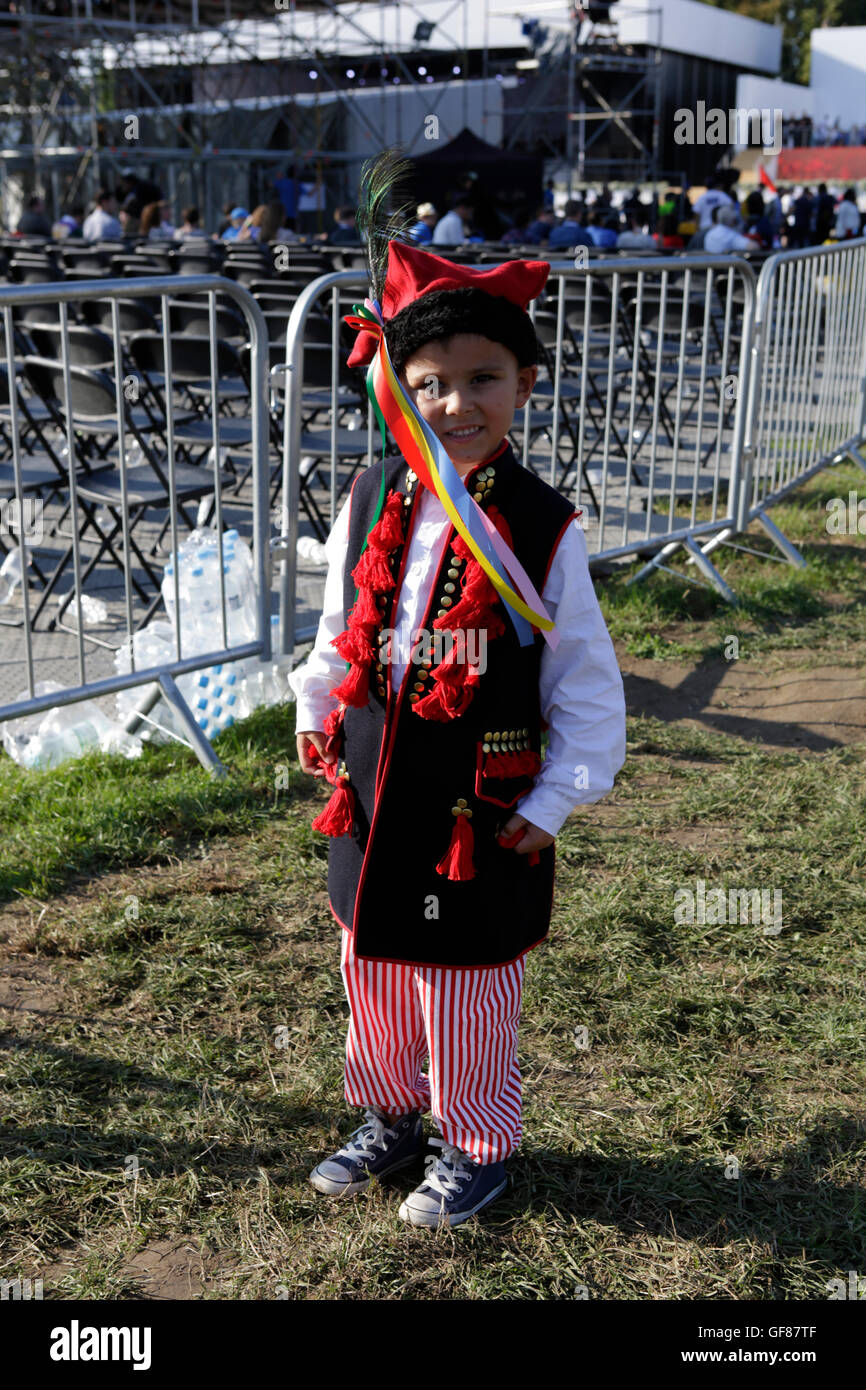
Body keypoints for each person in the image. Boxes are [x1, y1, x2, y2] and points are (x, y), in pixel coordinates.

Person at [288, 170, 626, 1228]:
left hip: (478, 790)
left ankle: (476, 1141)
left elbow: (583, 674)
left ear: (523, 383)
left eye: (483, 379)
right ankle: (390, 1111)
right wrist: (315, 705)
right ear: (399, 387)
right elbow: (337, 616)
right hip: (374, 770)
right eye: (429, 382)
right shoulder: (369, 491)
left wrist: (558, 795)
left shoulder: (542, 524)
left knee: (465, 973)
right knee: (371, 953)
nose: (455, 404)